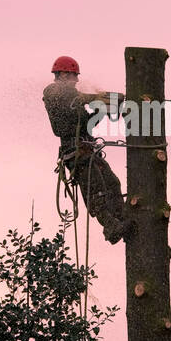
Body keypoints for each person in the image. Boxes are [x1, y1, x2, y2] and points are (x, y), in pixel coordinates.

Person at [42, 55, 133, 244]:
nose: (76, 81)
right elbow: (66, 96)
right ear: (63, 74)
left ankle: (121, 219)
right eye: (73, 76)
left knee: (112, 183)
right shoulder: (53, 92)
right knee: (96, 191)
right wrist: (94, 98)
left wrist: (102, 109)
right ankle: (110, 225)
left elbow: (87, 125)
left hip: (87, 151)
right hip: (75, 154)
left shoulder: (74, 100)